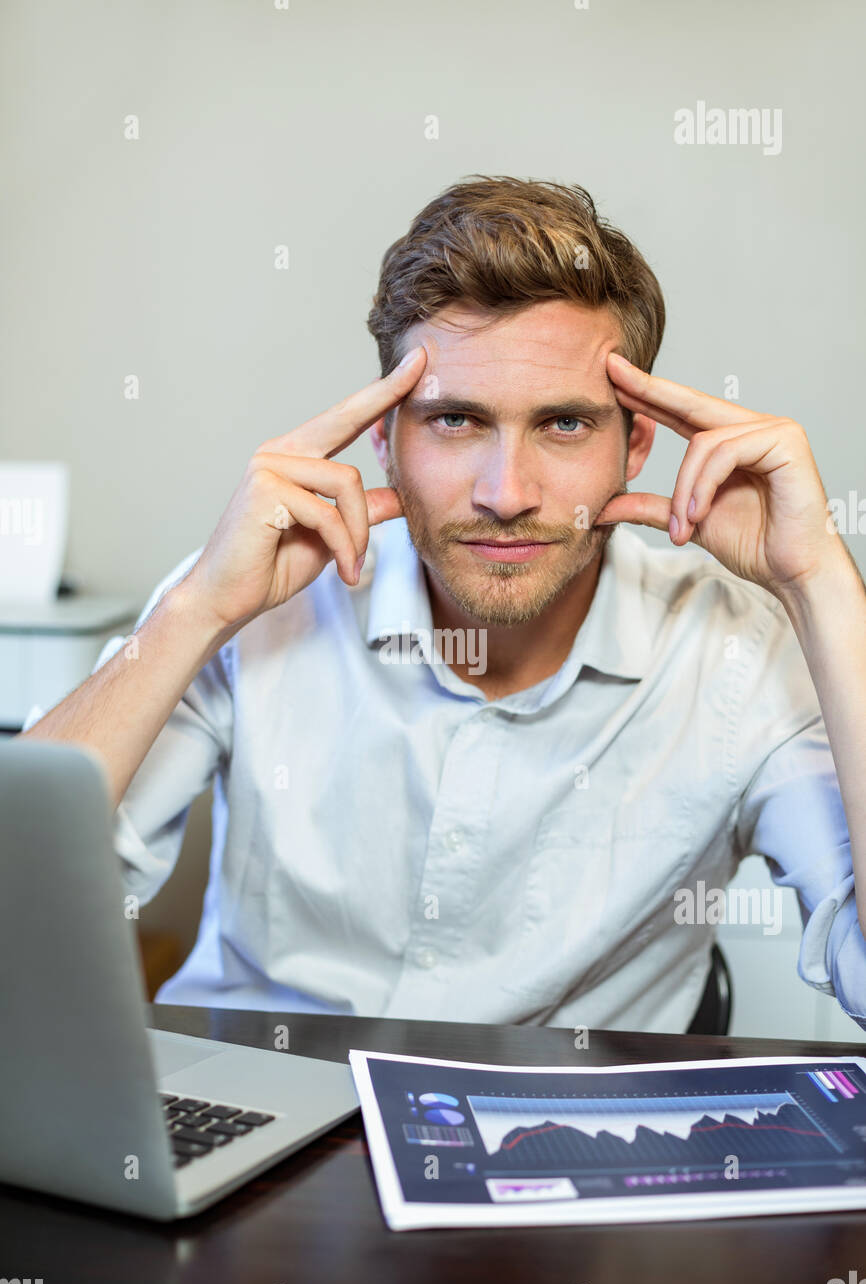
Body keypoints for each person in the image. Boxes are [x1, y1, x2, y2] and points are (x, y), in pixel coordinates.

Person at [19, 175, 866, 1032]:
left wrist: (822, 583)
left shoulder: (739, 653)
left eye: (564, 424)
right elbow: (19, 917)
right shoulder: (247, 603)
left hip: (560, 1139)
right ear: (384, 439)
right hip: (261, 1114)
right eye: (456, 421)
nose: (506, 493)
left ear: (635, 444)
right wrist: (196, 611)